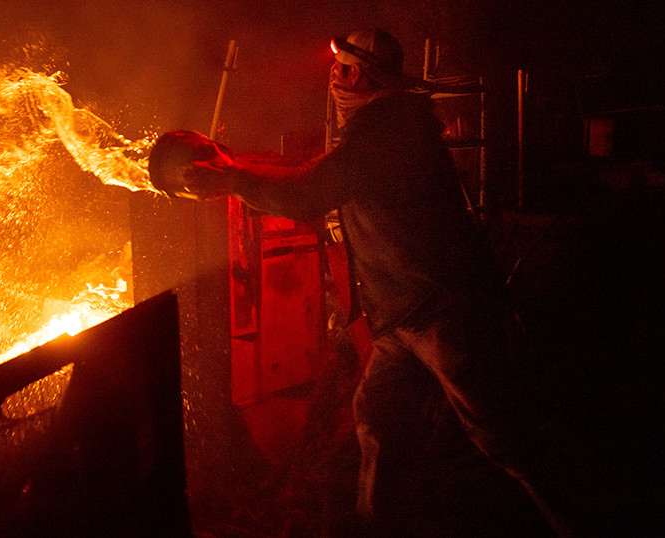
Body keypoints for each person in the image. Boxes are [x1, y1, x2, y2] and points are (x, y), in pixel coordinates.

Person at [155, 28, 579, 537]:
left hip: (442, 306)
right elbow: (311, 172)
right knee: (380, 419)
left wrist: (229, 180)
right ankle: (376, 528)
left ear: (358, 75)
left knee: (503, 433)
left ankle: (579, 519)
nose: (333, 77)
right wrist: (233, 167)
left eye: (341, 68)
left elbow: (309, 192)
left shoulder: (387, 126)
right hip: (402, 315)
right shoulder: (381, 124)